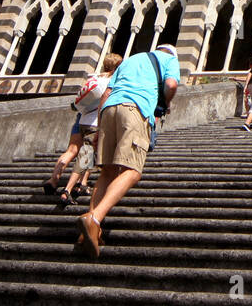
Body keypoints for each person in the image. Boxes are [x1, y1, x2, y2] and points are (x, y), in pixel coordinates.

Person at [77, 44, 179, 257]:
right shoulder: (169, 60)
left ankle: (88, 231)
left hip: (108, 111)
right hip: (135, 109)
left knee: (107, 171)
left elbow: (107, 91)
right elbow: (170, 84)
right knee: (132, 171)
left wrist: (99, 126)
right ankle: (94, 219)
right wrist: (166, 102)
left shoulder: (130, 59)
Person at [46, 52, 121, 201]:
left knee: (72, 150)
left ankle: (54, 179)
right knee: (87, 155)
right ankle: (70, 188)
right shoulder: (112, 82)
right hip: (95, 123)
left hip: (81, 120)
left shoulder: (94, 78)